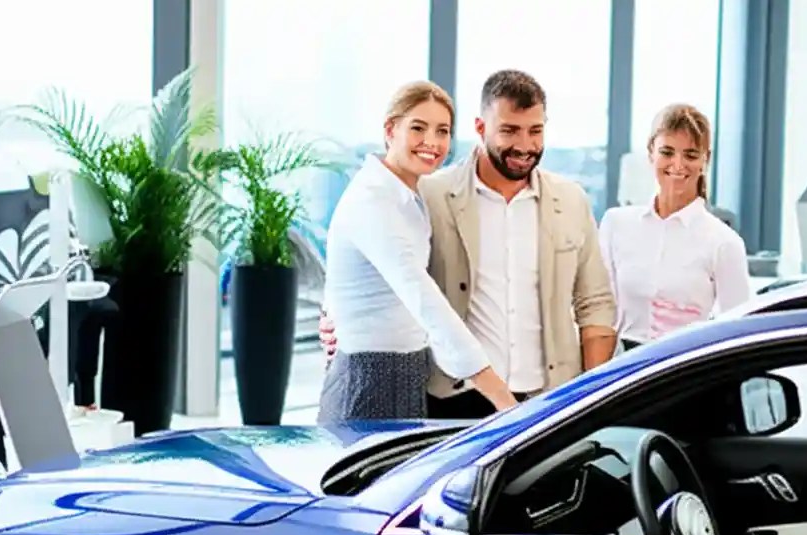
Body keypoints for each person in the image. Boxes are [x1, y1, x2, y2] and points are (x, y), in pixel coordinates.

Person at [320, 69, 617, 419]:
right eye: (509, 130)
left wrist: (593, 398)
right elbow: (409, 287)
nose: (524, 145)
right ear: (480, 127)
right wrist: (336, 315)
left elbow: (595, 303)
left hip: (550, 396)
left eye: (535, 131)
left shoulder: (571, 200)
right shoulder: (429, 194)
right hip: (453, 395)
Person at [317, 80, 517, 424]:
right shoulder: (372, 200)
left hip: (409, 371)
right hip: (366, 379)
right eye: (418, 128)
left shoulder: (413, 193)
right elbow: (424, 299)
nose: (432, 142)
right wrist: (503, 398)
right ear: (390, 130)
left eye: (443, 131)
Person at [598, 103, 749, 350]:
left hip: (686, 365)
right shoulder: (616, 224)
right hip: (622, 364)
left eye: (690, 155)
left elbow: (736, 333)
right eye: (667, 152)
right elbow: (601, 312)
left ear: (705, 160)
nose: (678, 165)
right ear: (651, 152)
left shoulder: (724, 242)